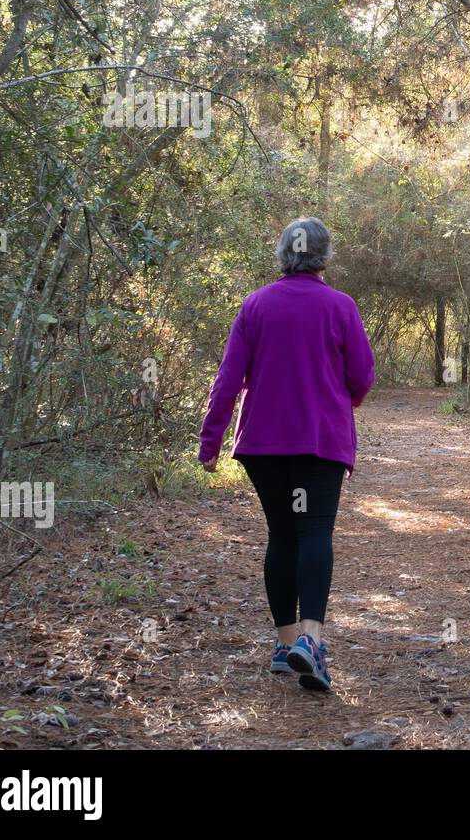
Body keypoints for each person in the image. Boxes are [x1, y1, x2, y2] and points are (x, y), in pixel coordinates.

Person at [198, 217, 374, 691]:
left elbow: (228, 377)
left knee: (282, 533)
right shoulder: (340, 306)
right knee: (314, 530)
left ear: (283, 255)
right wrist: (344, 398)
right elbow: (362, 375)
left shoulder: (256, 305)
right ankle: (310, 641)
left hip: (264, 444)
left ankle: (285, 643)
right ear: (325, 257)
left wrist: (209, 441)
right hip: (319, 441)